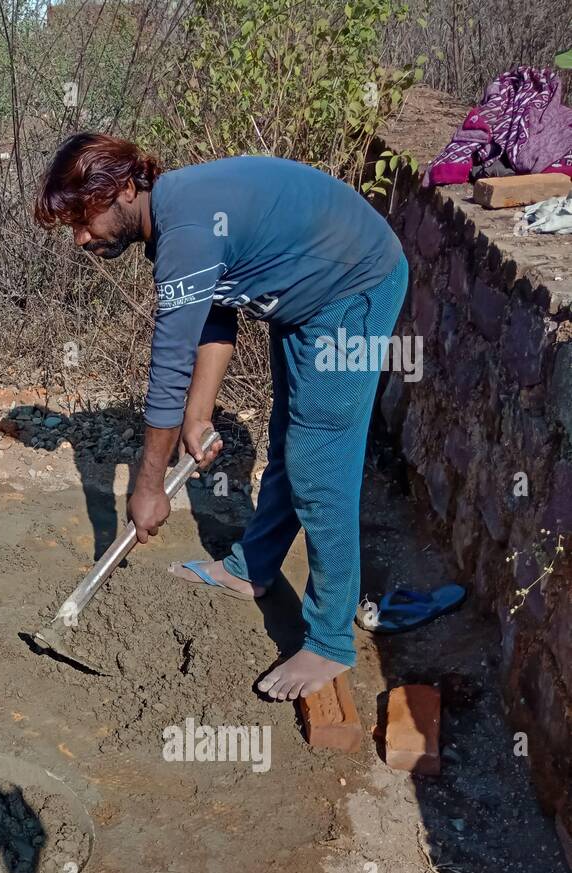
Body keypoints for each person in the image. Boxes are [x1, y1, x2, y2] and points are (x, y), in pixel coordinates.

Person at [34, 135, 408, 701]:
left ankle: (330, 641)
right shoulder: (174, 225)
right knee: (290, 440)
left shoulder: (182, 230)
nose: (82, 238)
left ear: (124, 189)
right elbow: (216, 313)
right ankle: (253, 565)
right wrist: (199, 415)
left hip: (354, 284)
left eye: (84, 220)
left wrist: (150, 487)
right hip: (303, 293)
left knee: (319, 459)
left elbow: (169, 366)